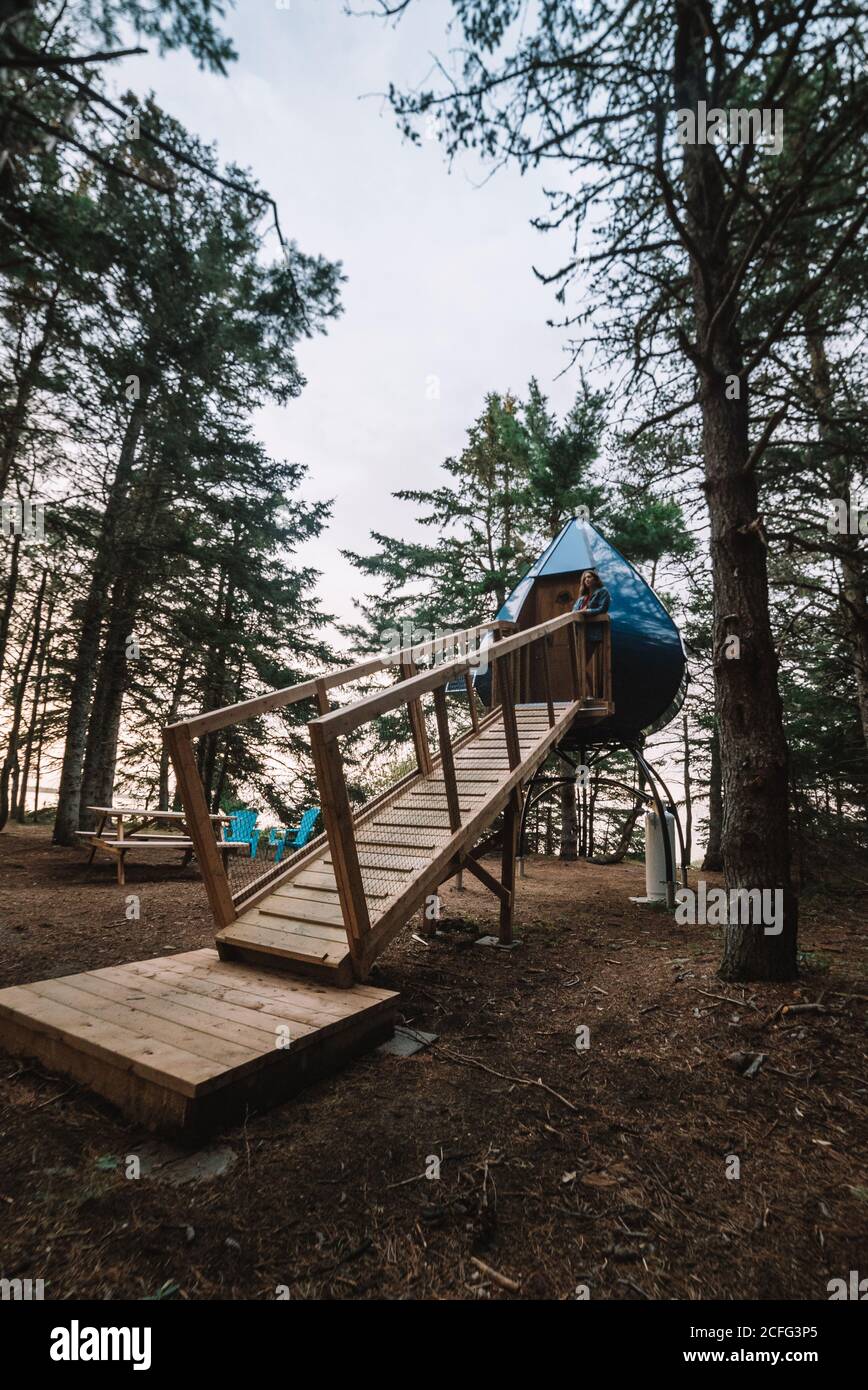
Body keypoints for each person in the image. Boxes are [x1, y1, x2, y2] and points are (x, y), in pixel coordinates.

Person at [572, 570, 610, 698]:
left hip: (592, 633)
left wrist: (586, 611)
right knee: (579, 664)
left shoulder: (602, 592)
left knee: (582, 663)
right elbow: (574, 611)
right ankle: (585, 694)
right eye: (584, 578)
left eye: (589, 577)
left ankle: (588, 695)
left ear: (595, 579)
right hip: (580, 633)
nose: (586, 580)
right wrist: (580, 612)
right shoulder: (582, 598)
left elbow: (602, 609)